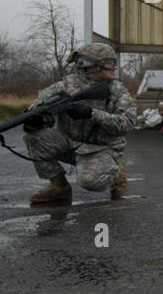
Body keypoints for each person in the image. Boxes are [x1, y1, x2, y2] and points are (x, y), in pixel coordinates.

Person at [24, 42, 137, 205]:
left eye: (114, 62)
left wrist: (92, 114)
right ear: (90, 66)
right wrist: (35, 120)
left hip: (102, 148)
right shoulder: (63, 87)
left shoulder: (117, 90)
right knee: (34, 137)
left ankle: (116, 173)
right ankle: (59, 186)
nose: (114, 67)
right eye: (108, 63)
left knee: (91, 181)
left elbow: (128, 123)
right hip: (70, 143)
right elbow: (40, 108)